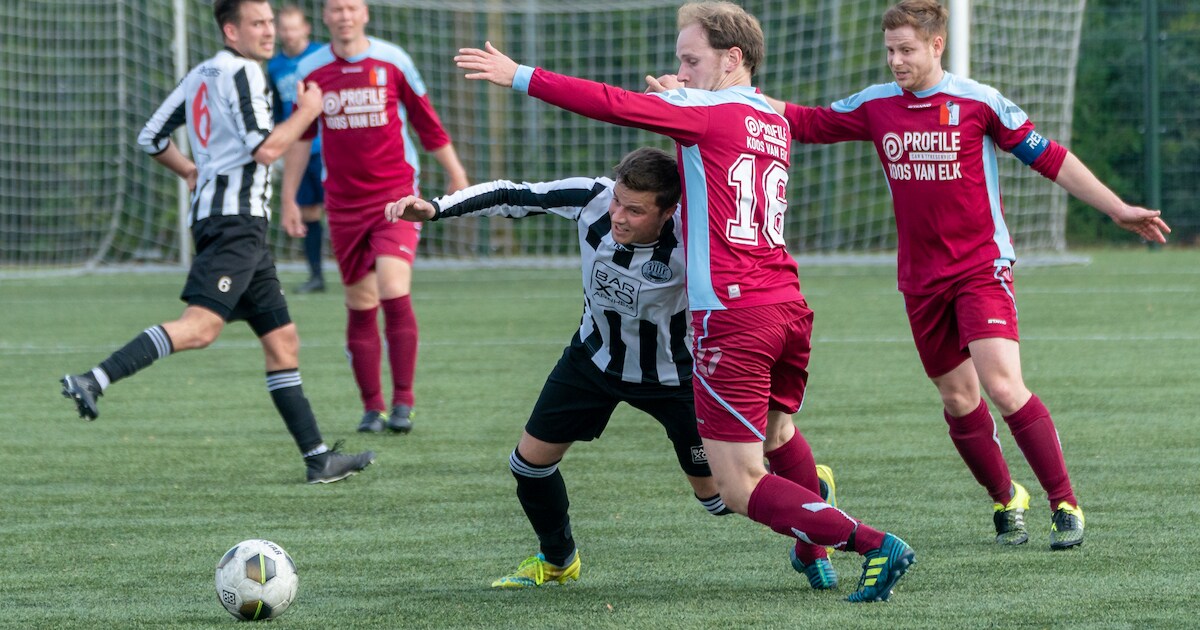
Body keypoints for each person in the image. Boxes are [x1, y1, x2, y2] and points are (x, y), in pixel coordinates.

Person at [456, 2, 914, 602]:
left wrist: (520, 74)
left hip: (734, 314)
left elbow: (612, 104)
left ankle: (875, 543)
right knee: (777, 432)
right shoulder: (771, 121)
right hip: (786, 303)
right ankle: (811, 548)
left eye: (691, 59)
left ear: (732, 58)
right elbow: (713, 139)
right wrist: (682, 95)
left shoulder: (705, 113)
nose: (681, 69)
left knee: (737, 488)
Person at [761, 0, 1170, 550]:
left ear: (937, 45)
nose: (896, 61)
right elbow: (803, 122)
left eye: (907, 50)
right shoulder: (876, 105)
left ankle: (1064, 502)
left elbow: (1049, 156)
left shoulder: (978, 102)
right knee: (958, 398)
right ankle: (1006, 499)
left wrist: (1117, 208)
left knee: (1002, 383)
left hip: (981, 267)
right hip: (920, 279)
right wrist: (729, 97)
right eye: (890, 50)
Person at [386, 148, 839, 588]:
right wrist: (436, 208)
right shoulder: (593, 198)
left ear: (668, 211)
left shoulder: (697, 238)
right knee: (529, 466)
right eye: (618, 201)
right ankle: (558, 561)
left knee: (719, 502)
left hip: (676, 380)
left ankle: (811, 487)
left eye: (635, 210)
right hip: (594, 360)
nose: (619, 215)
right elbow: (513, 193)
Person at [59, 0, 375, 485]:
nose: (268, 31)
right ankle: (93, 379)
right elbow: (266, 149)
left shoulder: (201, 74)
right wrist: (308, 111)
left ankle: (318, 460)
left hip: (233, 224)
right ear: (231, 31)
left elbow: (151, 137)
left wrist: (190, 170)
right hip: (235, 225)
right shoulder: (244, 73)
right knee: (201, 328)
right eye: (257, 23)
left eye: (270, 22)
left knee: (283, 341)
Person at [281, 0, 470, 436]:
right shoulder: (310, 70)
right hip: (343, 203)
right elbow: (299, 139)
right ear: (325, 17)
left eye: (351, 7)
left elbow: (426, 123)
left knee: (392, 287)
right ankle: (373, 408)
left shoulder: (393, 60)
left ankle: (403, 401)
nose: (344, 16)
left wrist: (457, 174)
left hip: (395, 195)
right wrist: (288, 198)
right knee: (360, 302)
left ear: (365, 13)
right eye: (336, 9)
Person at [267, 5, 327, 294]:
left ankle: (370, 268)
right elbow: (278, 110)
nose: (289, 34)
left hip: (328, 147)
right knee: (308, 211)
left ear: (306, 29)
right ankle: (316, 275)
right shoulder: (274, 66)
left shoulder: (322, 57)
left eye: (294, 28)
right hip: (298, 150)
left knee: (345, 207)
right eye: (285, 29)